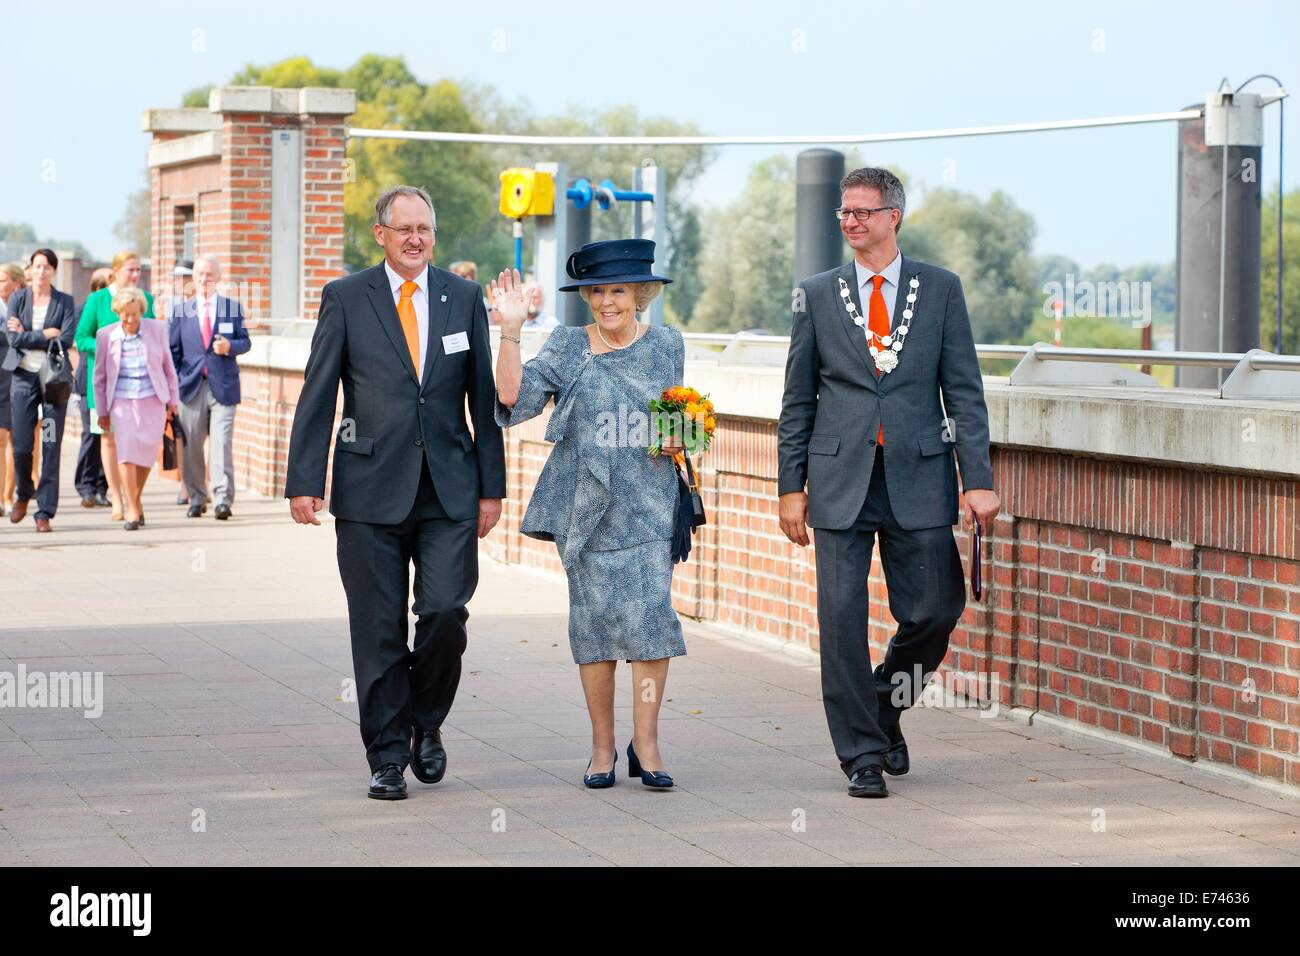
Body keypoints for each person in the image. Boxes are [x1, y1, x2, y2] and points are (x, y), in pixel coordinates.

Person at [776, 167, 1001, 799]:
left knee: (935, 610)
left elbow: (964, 390)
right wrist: (790, 485)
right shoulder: (816, 294)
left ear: (892, 216)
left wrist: (976, 478)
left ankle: (882, 705)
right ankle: (862, 755)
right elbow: (797, 399)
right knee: (842, 621)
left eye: (862, 212)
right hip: (838, 478)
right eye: (843, 212)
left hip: (920, 474)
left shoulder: (941, 290)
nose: (849, 221)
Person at [285, 186, 506, 801]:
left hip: (450, 488)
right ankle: (387, 755)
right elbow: (318, 391)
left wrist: (493, 487)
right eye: (404, 228)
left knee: (443, 613)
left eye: (426, 230)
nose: (415, 239)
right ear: (380, 234)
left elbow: (482, 401)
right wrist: (305, 479)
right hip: (367, 491)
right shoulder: (347, 297)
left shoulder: (462, 298)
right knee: (377, 627)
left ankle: (424, 722)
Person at [493, 239, 686, 790]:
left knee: (651, 624)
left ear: (640, 294)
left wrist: (683, 436)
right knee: (596, 627)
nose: (606, 301)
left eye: (618, 290)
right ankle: (602, 748)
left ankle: (645, 744)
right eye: (596, 290)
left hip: (651, 503)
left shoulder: (668, 343)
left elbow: (680, 414)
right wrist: (510, 331)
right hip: (587, 509)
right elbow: (512, 398)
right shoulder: (568, 344)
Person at [75, 250, 155, 522]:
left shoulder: (147, 300)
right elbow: (81, 337)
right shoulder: (97, 300)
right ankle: (118, 500)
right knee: (108, 439)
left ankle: (135, 498)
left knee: (141, 442)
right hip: (106, 383)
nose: (135, 275)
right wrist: (108, 349)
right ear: (116, 271)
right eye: (130, 270)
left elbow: (153, 336)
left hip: (140, 385)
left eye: (139, 270)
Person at [169, 255, 250, 520]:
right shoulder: (182, 312)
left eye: (210, 274)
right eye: (201, 274)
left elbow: (245, 342)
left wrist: (230, 347)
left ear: (219, 277)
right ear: (194, 278)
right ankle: (196, 497)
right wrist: (179, 380)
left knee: (221, 443)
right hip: (191, 387)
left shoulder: (232, 308)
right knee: (191, 445)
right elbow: (173, 352)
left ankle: (222, 500)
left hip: (223, 386)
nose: (205, 279)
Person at [93, 289, 180, 531]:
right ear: (117, 313)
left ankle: (136, 499)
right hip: (121, 401)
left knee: (146, 455)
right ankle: (131, 507)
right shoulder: (105, 336)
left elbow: (168, 368)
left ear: (142, 312)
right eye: (125, 315)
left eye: (135, 314)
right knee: (127, 454)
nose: (131, 320)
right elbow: (99, 377)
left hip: (152, 399)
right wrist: (102, 411)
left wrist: (173, 402)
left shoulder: (157, 329)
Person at [3, 249, 77, 532]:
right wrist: (46, 334)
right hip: (23, 379)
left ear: (54, 272)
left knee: (50, 443)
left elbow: (67, 337)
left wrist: (28, 336)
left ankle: (44, 510)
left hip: (52, 384)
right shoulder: (18, 298)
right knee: (21, 445)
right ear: (30, 270)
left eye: (47, 267)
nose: (41, 271)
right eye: (37, 266)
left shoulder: (64, 301)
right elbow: (13, 338)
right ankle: (23, 493)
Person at [73, 267, 114, 508]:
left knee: (109, 436)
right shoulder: (86, 309)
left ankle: (102, 488)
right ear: (99, 287)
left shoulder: (118, 309)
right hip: (88, 382)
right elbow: (81, 341)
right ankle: (86, 486)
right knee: (91, 434)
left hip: (112, 382)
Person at [0, 262, 25, 517]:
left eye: (3, 279)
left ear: (16, 283)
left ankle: (11, 495)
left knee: (18, 440)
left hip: (20, 376)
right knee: (0, 438)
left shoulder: (24, 308)